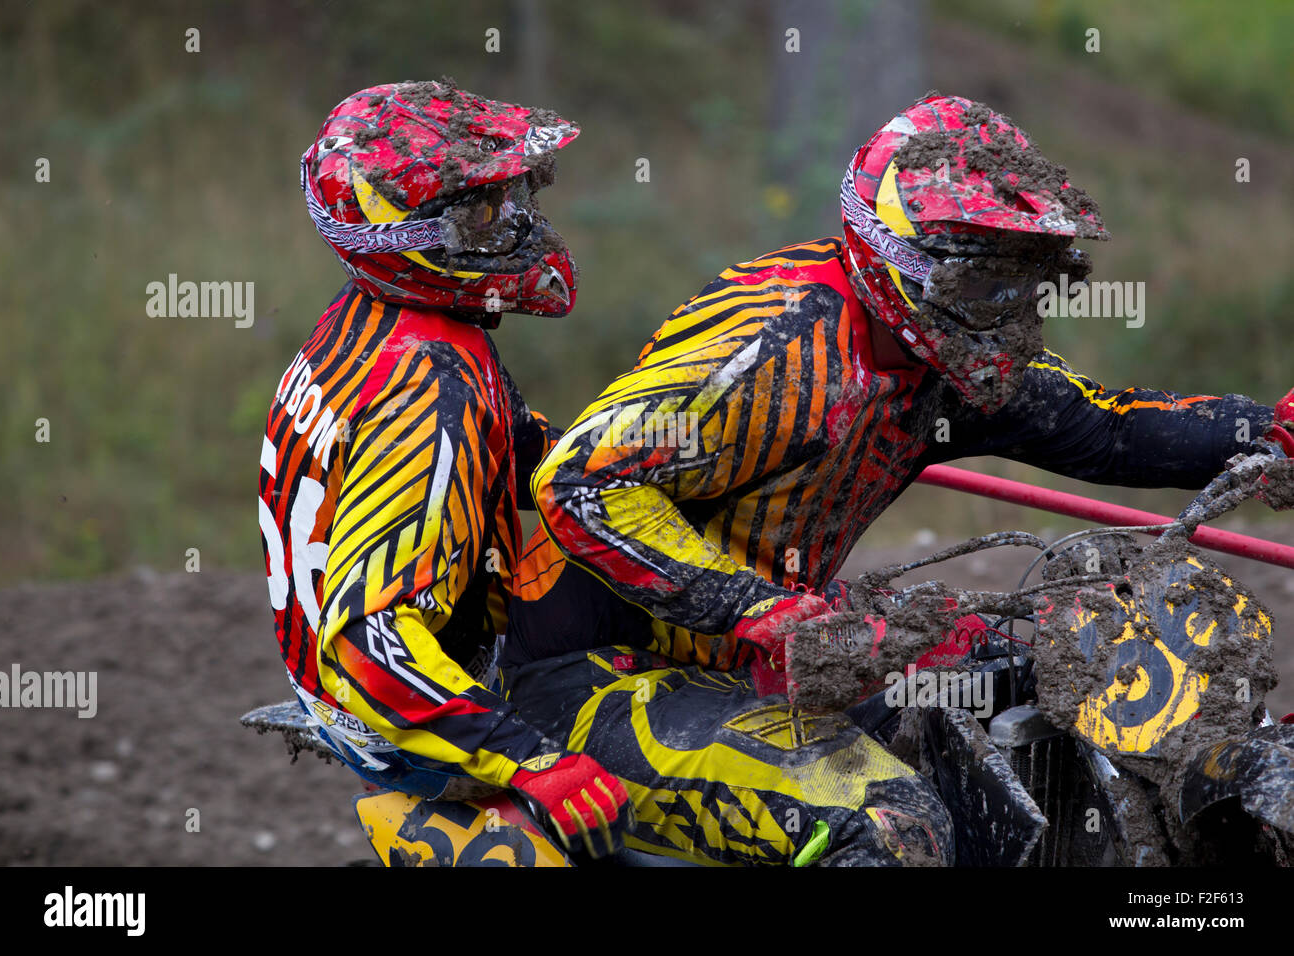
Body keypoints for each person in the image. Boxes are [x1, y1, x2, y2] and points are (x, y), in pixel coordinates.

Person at [497, 92, 1294, 866]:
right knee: (890, 830)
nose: (1012, 316)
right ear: (900, 261)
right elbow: (580, 481)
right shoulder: (776, 350)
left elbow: (1104, 428)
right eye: (989, 287)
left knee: (1038, 675)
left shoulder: (946, 355)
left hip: (757, 654)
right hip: (594, 675)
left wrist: (1266, 432)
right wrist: (765, 615)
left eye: (1028, 285)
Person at [258, 80, 630, 859]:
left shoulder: (379, 318)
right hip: (408, 711)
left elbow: (509, 445)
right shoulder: (429, 386)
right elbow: (370, 643)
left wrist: (636, 458)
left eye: (509, 197)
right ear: (418, 238)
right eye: (487, 211)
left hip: (349, 666)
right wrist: (535, 762)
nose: (519, 223)